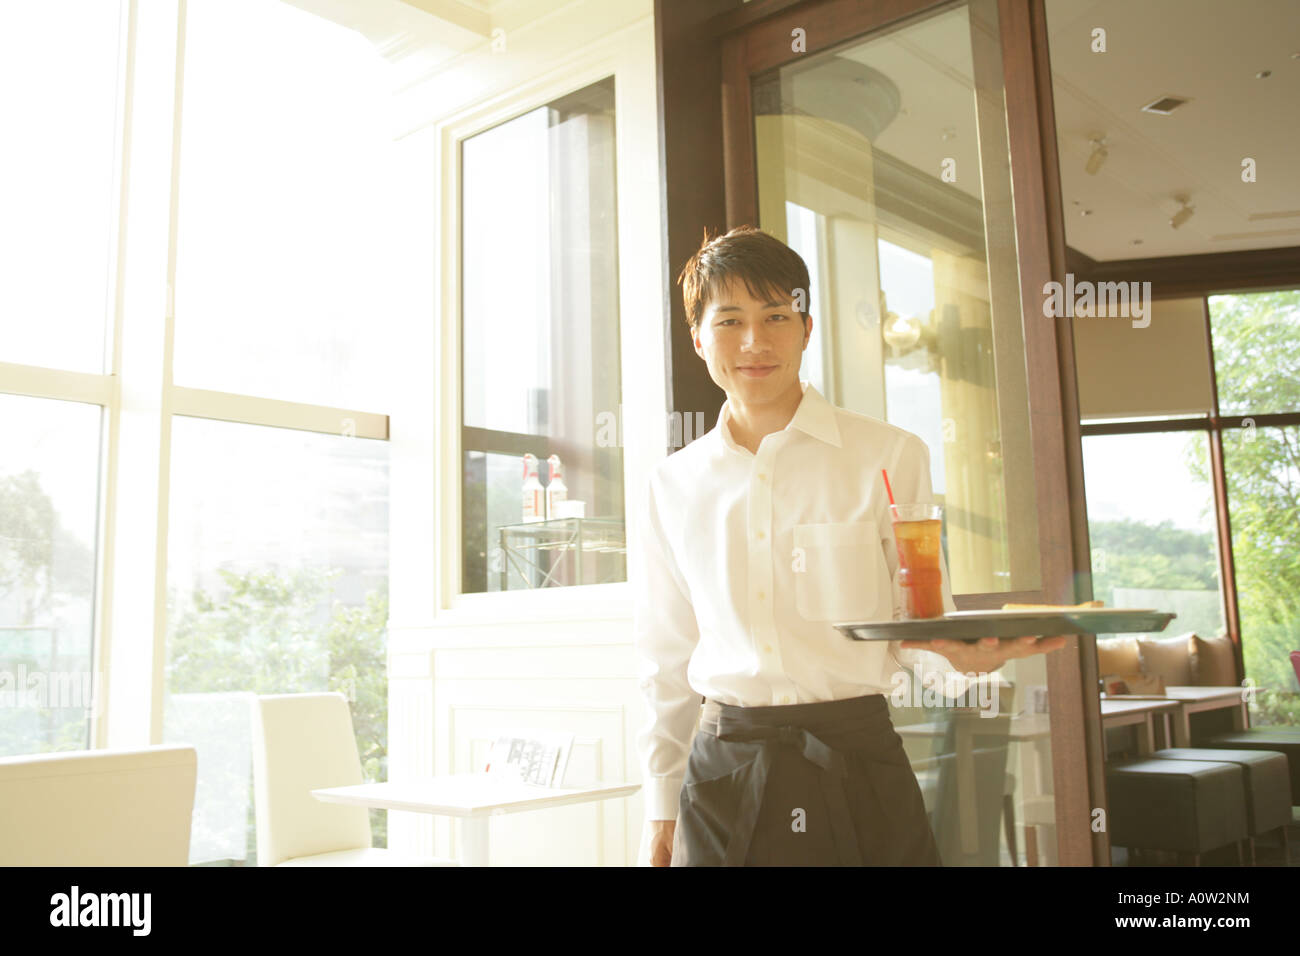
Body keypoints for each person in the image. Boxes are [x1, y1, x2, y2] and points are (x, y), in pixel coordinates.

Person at [633, 225, 1066, 867]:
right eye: (730, 320)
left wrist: (961, 664)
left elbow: (918, 624)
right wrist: (659, 809)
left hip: (859, 763)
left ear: (806, 328)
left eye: (776, 315)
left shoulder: (890, 456)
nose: (755, 341)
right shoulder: (671, 485)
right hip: (724, 775)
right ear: (698, 339)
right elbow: (666, 661)